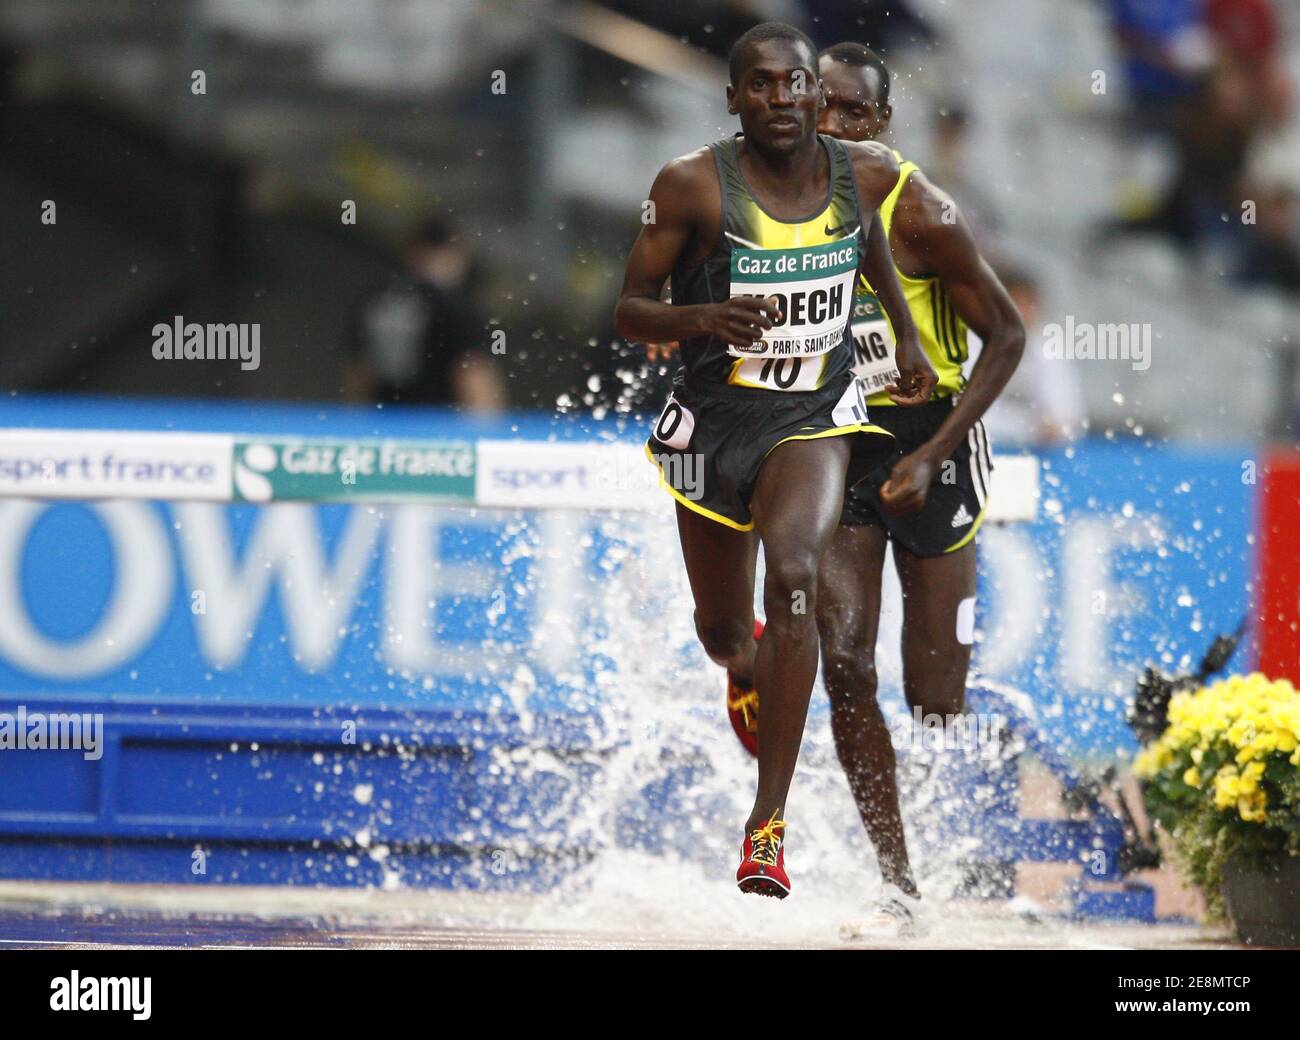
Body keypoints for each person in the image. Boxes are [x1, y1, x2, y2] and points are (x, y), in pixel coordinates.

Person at [613, 22, 935, 899]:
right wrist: (701, 321)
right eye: (760, 86)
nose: (781, 100)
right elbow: (630, 312)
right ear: (733, 99)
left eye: (794, 84)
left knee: (794, 576)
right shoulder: (688, 186)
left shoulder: (859, 170)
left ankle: (766, 827)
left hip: (814, 417)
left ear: (811, 93)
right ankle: (747, 667)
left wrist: (906, 337)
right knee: (722, 633)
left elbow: (870, 243)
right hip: (717, 425)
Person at [726, 41, 1024, 931]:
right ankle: (899, 880)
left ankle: (968, 835)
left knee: (936, 698)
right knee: (846, 667)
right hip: (840, 448)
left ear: (880, 126)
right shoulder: (777, 202)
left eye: (853, 114)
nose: (831, 127)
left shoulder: (919, 209)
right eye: (821, 109)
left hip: (934, 445)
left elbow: (1006, 337)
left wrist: (933, 453)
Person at [344, 217, 505, 412]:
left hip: (383, 423)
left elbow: (358, 376)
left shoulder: (375, 299)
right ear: (455, 251)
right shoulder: (455, 305)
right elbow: (474, 376)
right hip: (440, 427)